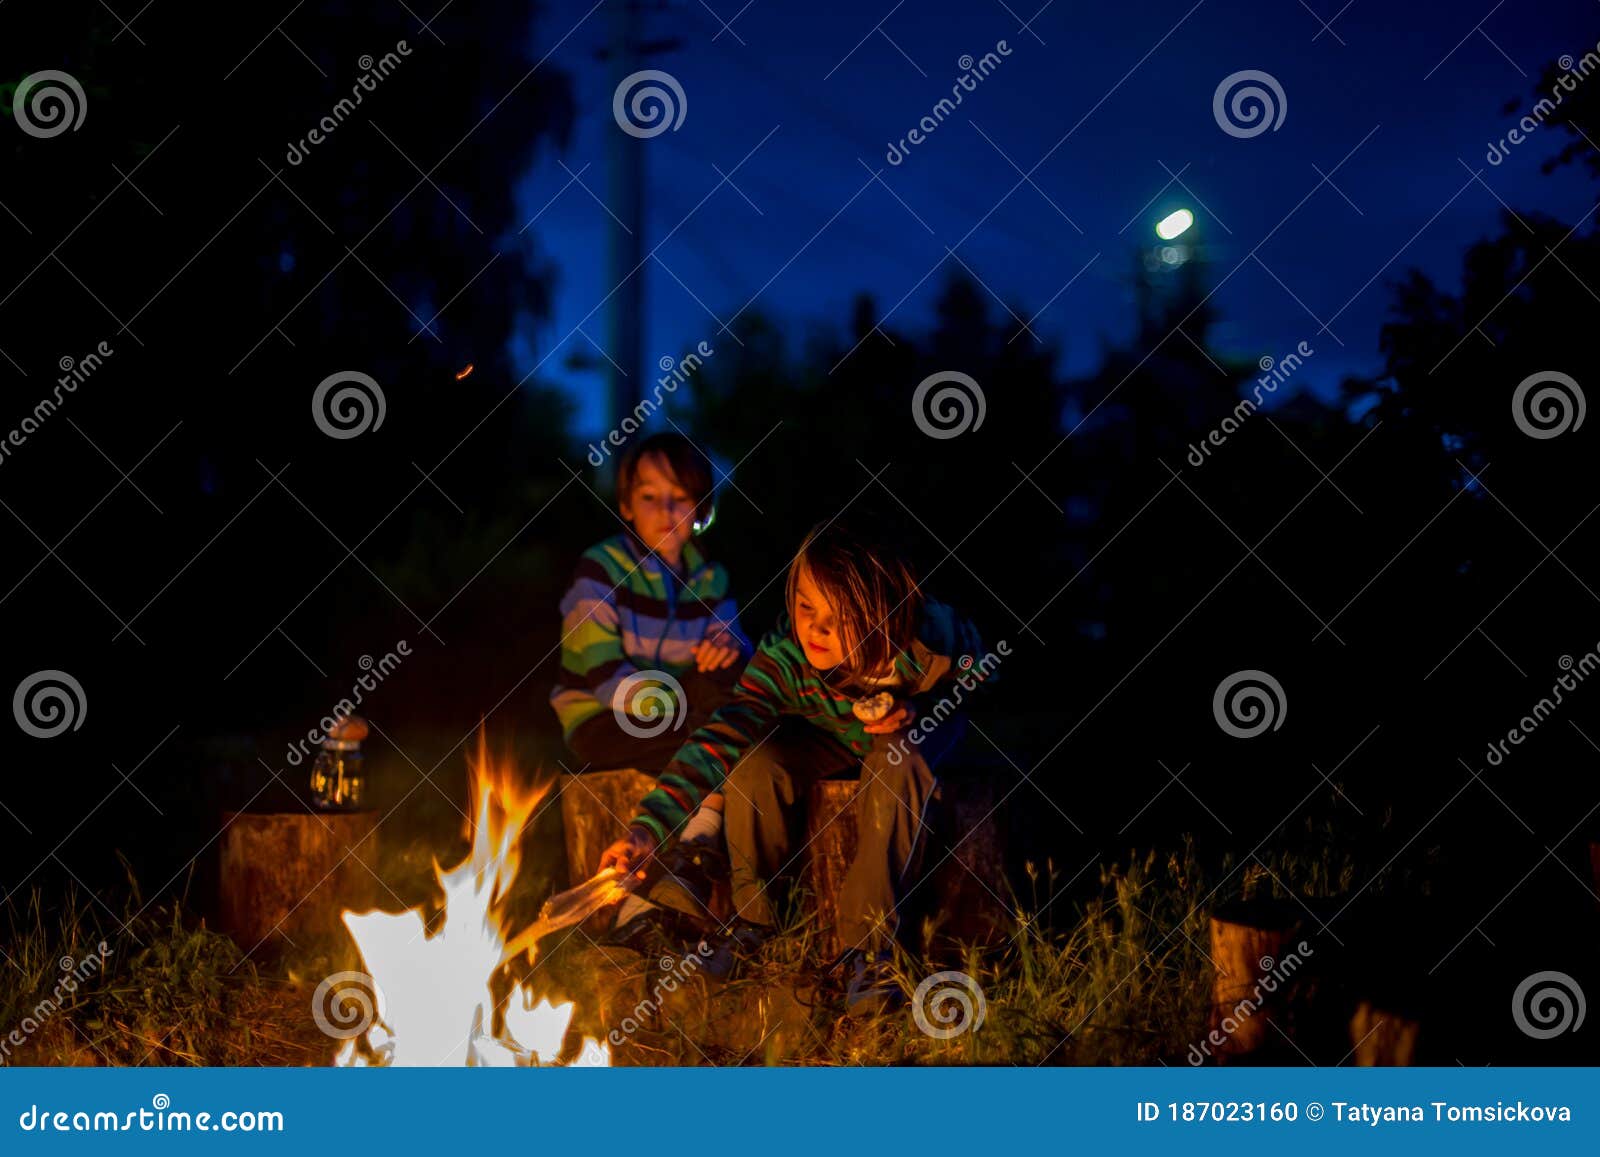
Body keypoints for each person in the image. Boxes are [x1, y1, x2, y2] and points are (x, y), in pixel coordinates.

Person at [600, 518, 990, 1014]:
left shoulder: (932, 636)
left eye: (839, 616)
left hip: (907, 732)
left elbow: (979, 668)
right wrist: (647, 829)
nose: (816, 628)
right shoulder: (787, 659)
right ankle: (753, 923)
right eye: (806, 605)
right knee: (753, 763)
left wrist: (928, 703)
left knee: (899, 764)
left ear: (885, 611)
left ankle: (868, 951)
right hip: (826, 732)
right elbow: (718, 739)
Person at [550, 433, 751, 946]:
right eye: (649, 497)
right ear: (626, 505)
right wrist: (686, 711)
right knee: (715, 746)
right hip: (602, 718)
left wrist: (729, 647)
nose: (666, 510)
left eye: (680, 497)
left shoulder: (709, 579)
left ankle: (683, 875)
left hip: (680, 718)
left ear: (701, 505)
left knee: (726, 687)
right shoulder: (602, 569)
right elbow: (602, 678)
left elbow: (739, 654)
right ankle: (689, 850)